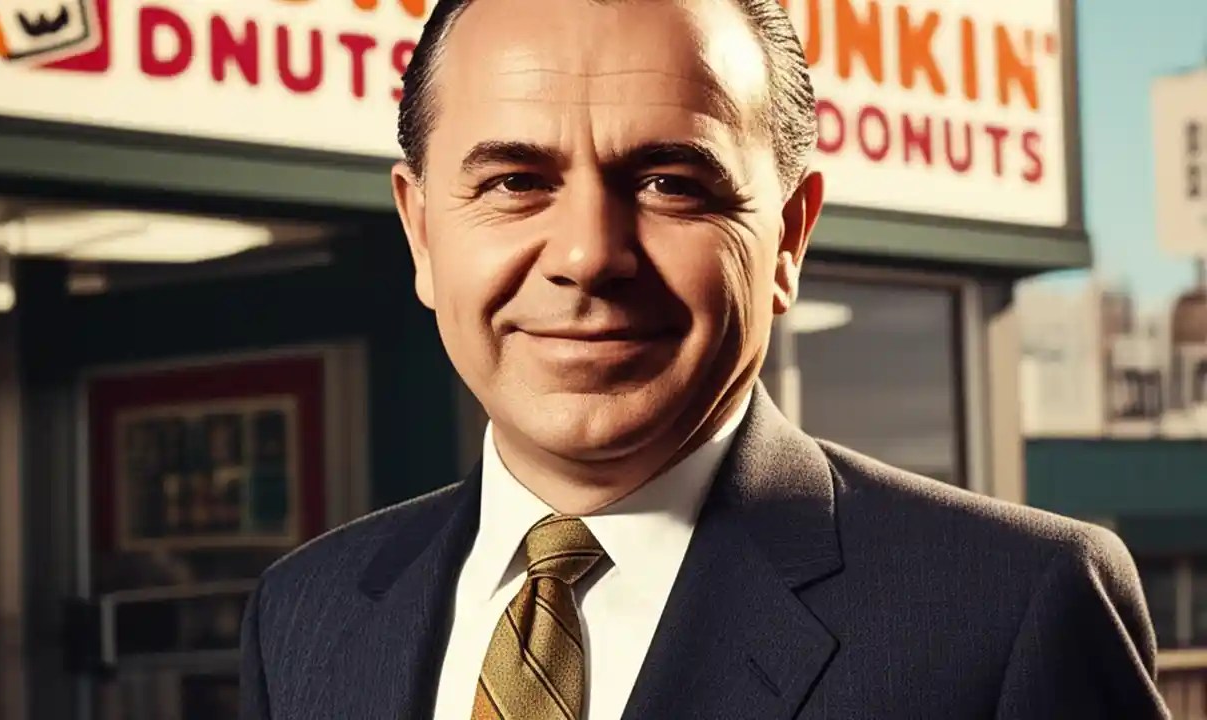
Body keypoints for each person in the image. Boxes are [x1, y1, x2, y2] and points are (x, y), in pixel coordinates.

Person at [239, 0, 1170, 717]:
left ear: (788, 240)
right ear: (421, 233)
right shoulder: (306, 614)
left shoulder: (1012, 609)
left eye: (667, 183)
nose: (587, 254)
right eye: (515, 182)